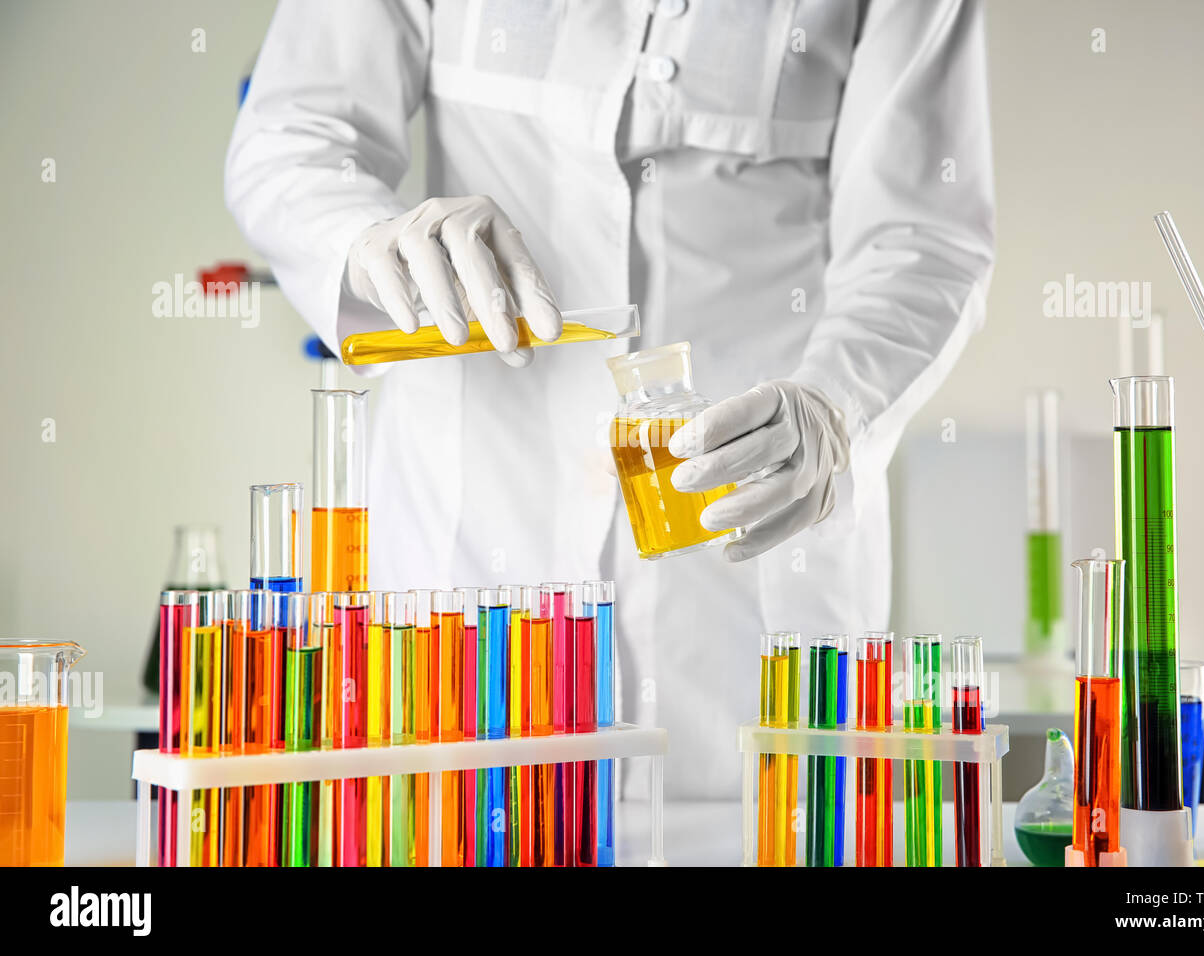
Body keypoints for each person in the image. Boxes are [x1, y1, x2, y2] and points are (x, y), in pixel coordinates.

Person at [226, 0, 994, 799]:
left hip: (746, 563)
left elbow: (922, 240)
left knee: (766, 827)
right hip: (468, 560)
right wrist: (364, 241)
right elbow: (294, 135)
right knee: (461, 817)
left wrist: (838, 408)